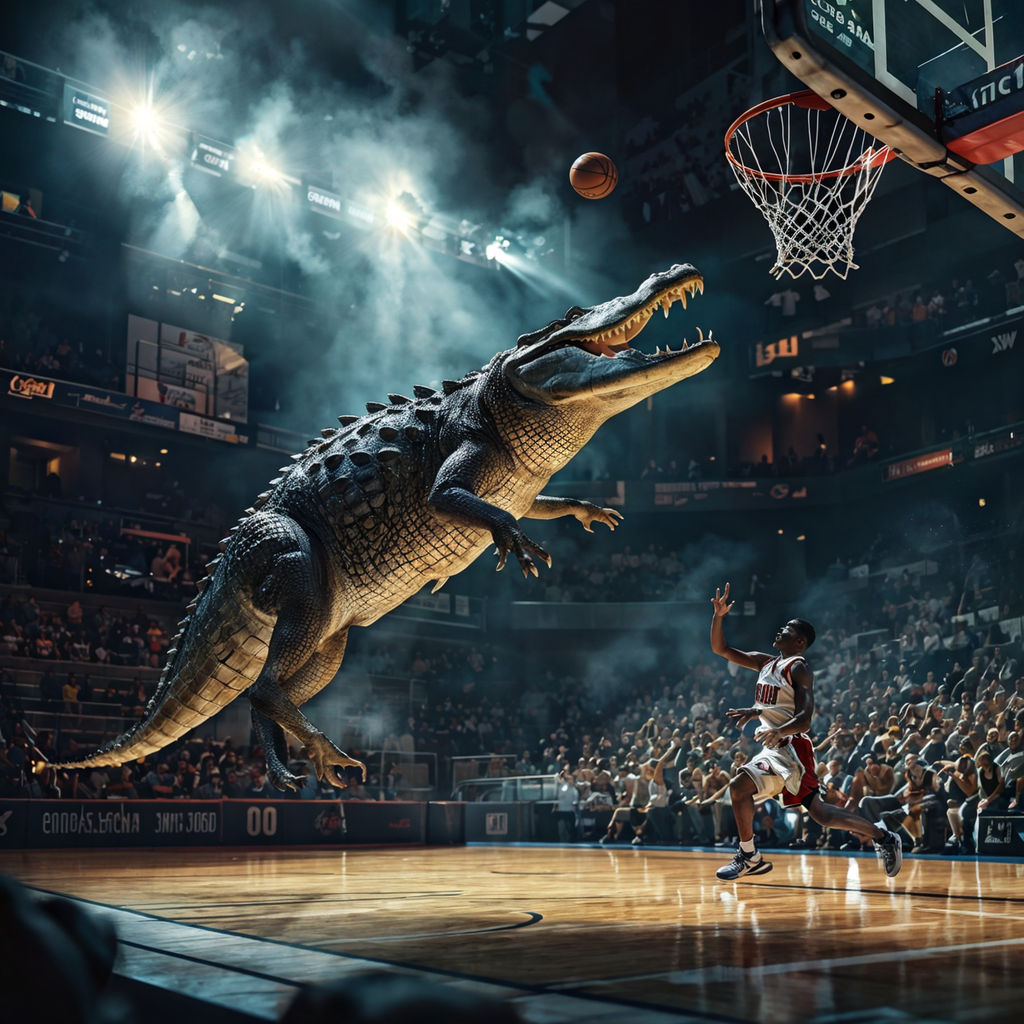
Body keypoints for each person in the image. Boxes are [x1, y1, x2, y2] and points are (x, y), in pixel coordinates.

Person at [708, 583, 902, 879]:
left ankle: (884, 837)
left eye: (786, 629)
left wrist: (776, 727)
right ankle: (750, 856)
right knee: (811, 810)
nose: (780, 630)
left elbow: (804, 719)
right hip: (773, 747)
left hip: (792, 748)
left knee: (813, 811)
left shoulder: (799, 668)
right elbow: (720, 649)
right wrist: (718, 616)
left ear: (799, 642)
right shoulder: (766, 663)